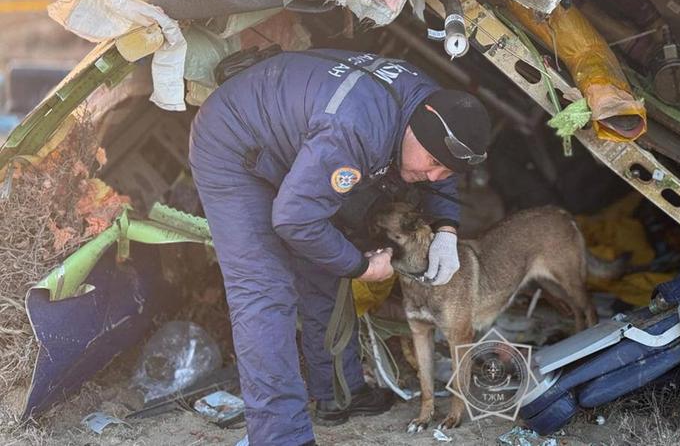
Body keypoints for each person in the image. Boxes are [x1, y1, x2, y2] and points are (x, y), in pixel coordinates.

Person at [188, 49, 491, 445]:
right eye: (432, 162)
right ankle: (282, 436)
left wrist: (448, 228)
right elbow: (295, 219)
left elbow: (442, 169)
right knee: (263, 290)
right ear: (417, 129)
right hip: (233, 144)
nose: (432, 176)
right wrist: (361, 268)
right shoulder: (356, 131)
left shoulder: (432, 107)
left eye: (445, 170)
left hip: (294, 140)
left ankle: (338, 393)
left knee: (322, 264)